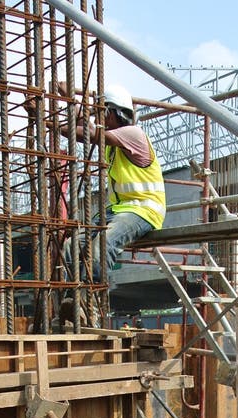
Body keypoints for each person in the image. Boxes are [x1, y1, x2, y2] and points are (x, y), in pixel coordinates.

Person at [59, 83, 166, 307]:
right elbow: (73, 132)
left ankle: (91, 302)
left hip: (143, 210)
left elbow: (87, 132)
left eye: (102, 113)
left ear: (112, 111)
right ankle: (71, 303)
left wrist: (72, 100)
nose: (99, 118)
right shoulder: (114, 142)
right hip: (119, 210)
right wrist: (49, 120)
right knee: (71, 244)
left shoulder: (134, 134)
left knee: (102, 244)